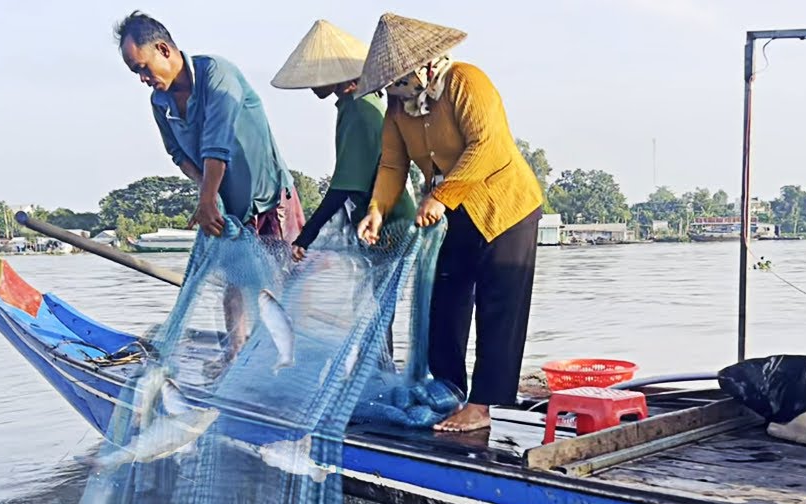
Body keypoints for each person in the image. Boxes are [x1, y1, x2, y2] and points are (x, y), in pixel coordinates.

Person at [355, 13, 543, 433]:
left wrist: (441, 195)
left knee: (498, 304)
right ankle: (448, 388)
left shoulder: (466, 82)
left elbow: (487, 147)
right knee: (445, 297)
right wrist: (377, 210)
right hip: (450, 211)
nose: (393, 91)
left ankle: (482, 404)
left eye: (398, 81)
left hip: (504, 207)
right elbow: (392, 163)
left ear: (423, 68)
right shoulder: (398, 109)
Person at [115, 11, 303, 356]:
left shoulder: (216, 74)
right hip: (228, 208)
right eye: (135, 72)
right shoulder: (160, 102)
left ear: (164, 50)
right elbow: (179, 155)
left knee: (276, 281)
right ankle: (236, 353)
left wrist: (206, 200)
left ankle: (282, 359)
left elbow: (218, 145)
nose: (142, 78)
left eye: (143, 67)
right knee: (233, 280)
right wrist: (209, 195)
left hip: (266, 199)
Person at [270, 19, 416, 262]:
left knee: (385, 297)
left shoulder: (359, 109)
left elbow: (344, 186)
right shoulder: (359, 102)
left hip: (389, 224)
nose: (311, 84)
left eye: (318, 76)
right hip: (378, 222)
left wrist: (306, 236)